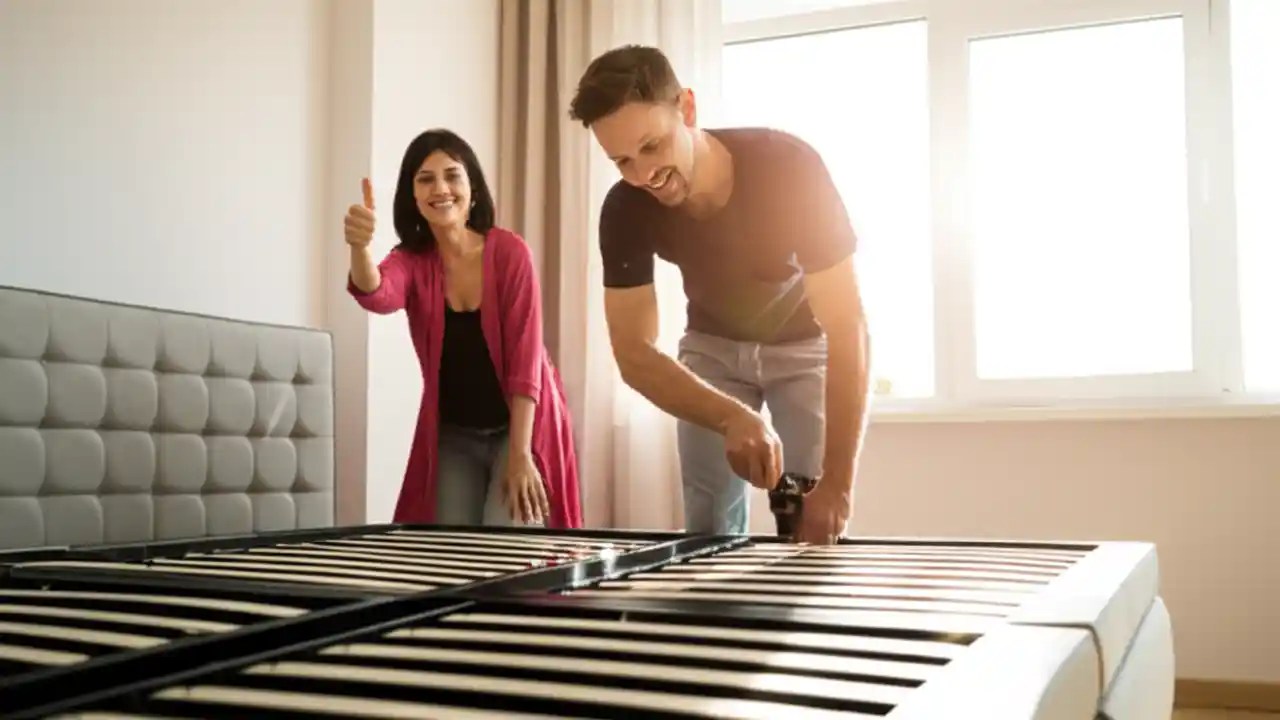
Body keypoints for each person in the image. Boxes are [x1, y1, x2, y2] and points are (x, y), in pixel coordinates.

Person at [569, 45, 871, 545]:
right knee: (709, 525)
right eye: (621, 160)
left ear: (687, 109)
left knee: (814, 520)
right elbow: (633, 352)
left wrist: (839, 486)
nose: (643, 175)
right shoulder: (624, 209)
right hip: (711, 347)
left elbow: (847, 326)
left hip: (803, 344)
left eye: (652, 146)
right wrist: (731, 415)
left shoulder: (789, 166)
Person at [344, 128, 582, 530]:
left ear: (472, 186)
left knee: (500, 545)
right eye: (426, 179)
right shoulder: (413, 261)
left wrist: (521, 455)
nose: (441, 188)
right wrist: (360, 248)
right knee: (449, 550)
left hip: (520, 427)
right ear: (413, 197)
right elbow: (378, 293)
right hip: (454, 434)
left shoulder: (510, 253)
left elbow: (527, 366)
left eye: (452, 175)